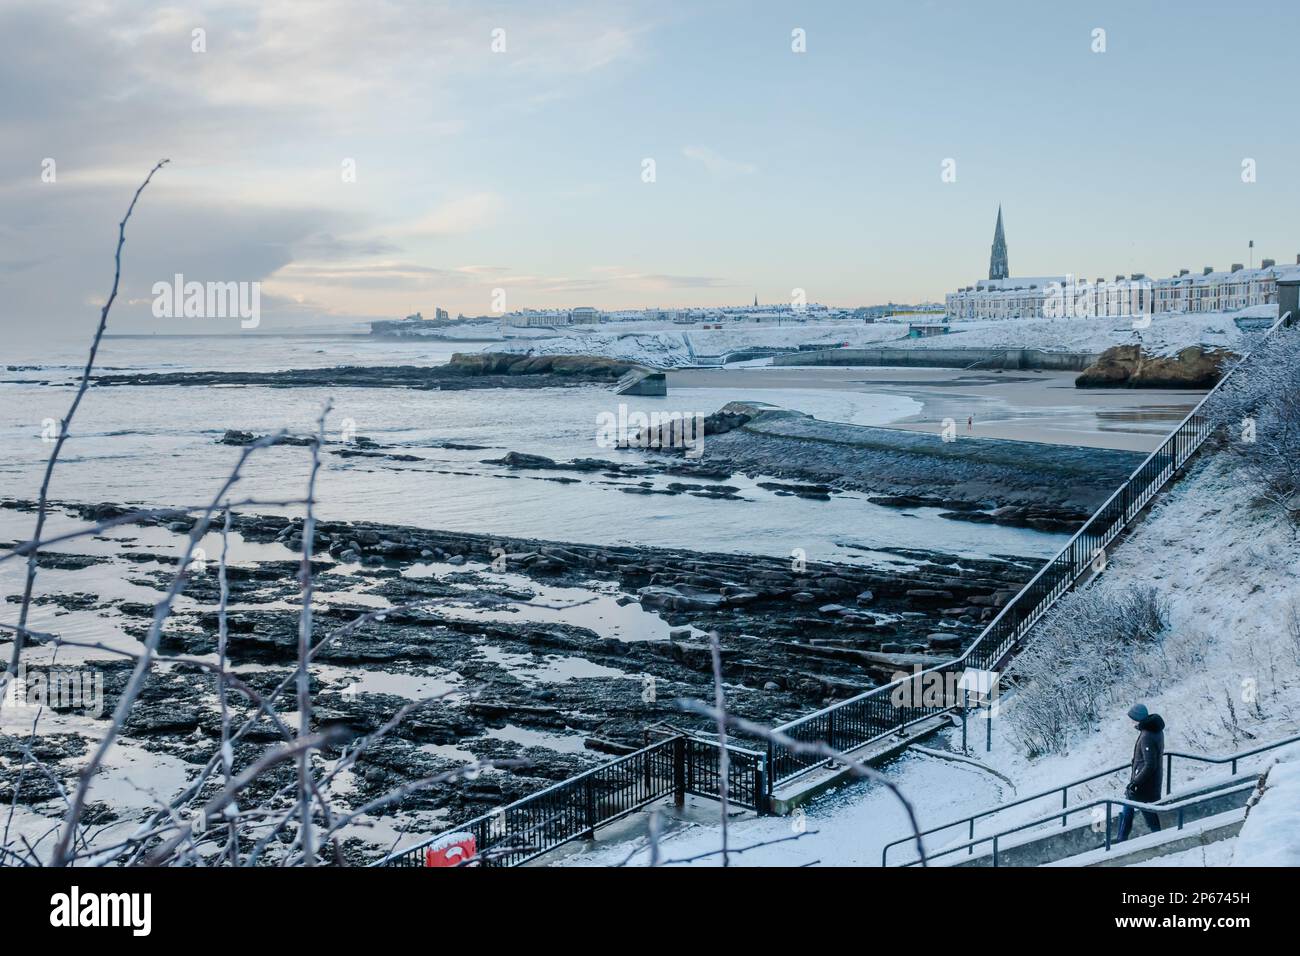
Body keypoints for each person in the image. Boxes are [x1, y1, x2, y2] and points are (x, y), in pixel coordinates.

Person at [1116, 703, 1165, 842]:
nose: (1131, 721)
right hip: (1147, 782)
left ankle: (1122, 839)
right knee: (1131, 809)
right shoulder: (1154, 731)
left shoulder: (1146, 736)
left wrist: (1136, 781)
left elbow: (1150, 764)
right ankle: (1122, 837)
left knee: (1144, 811)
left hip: (1144, 784)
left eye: (1132, 718)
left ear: (1138, 718)